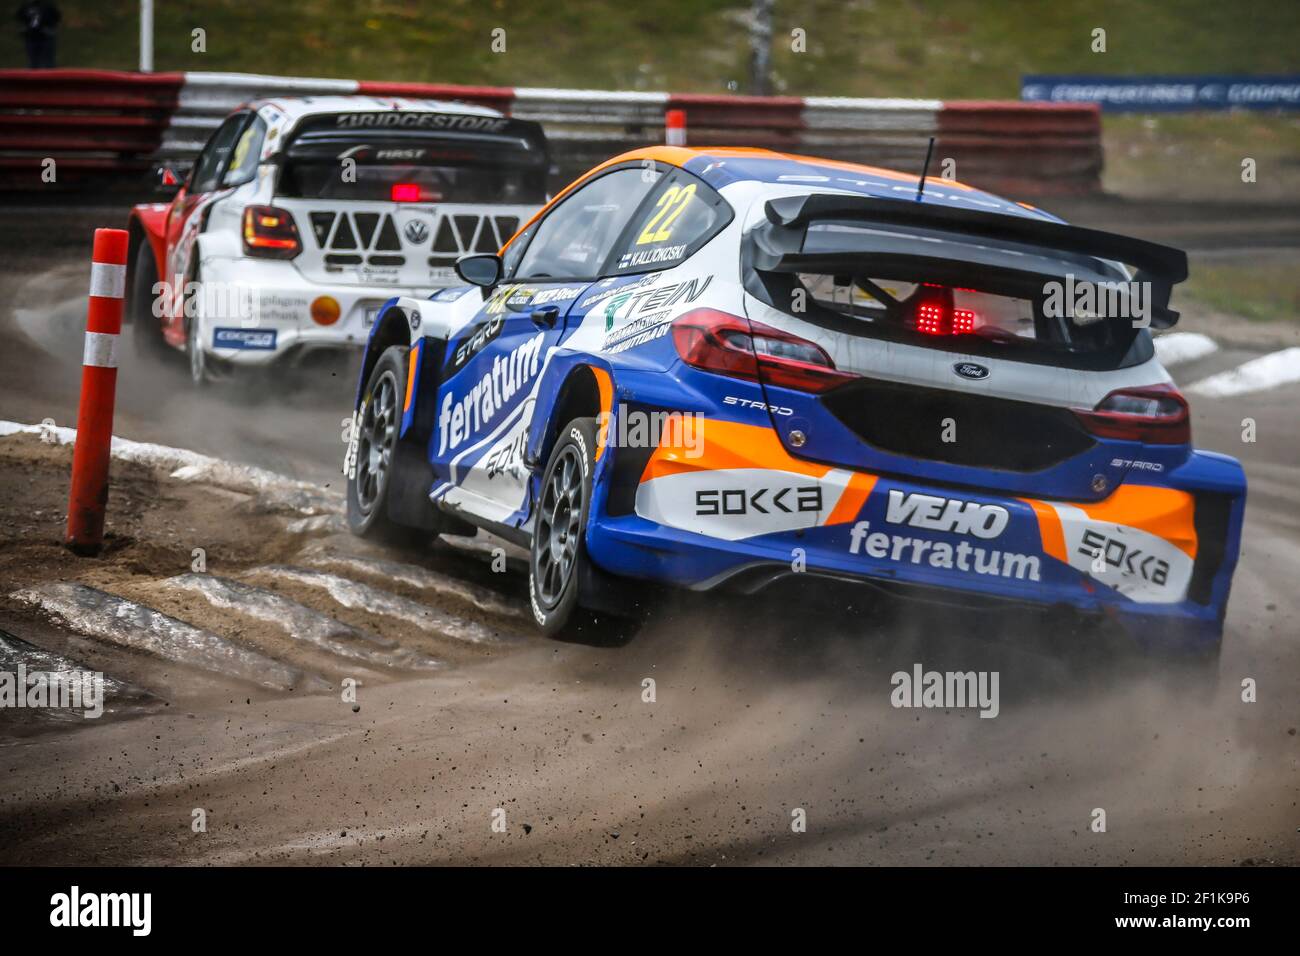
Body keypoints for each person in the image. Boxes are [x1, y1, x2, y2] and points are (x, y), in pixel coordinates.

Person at [16, 0, 60, 69]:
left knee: (48, 62)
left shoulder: (48, 5)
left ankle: (50, 77)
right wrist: (25, 28)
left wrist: (49, 27)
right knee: (33, 62)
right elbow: (19, 17)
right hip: (31, 37)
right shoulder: (26, 6)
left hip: (46, 37)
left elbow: (56, 17)